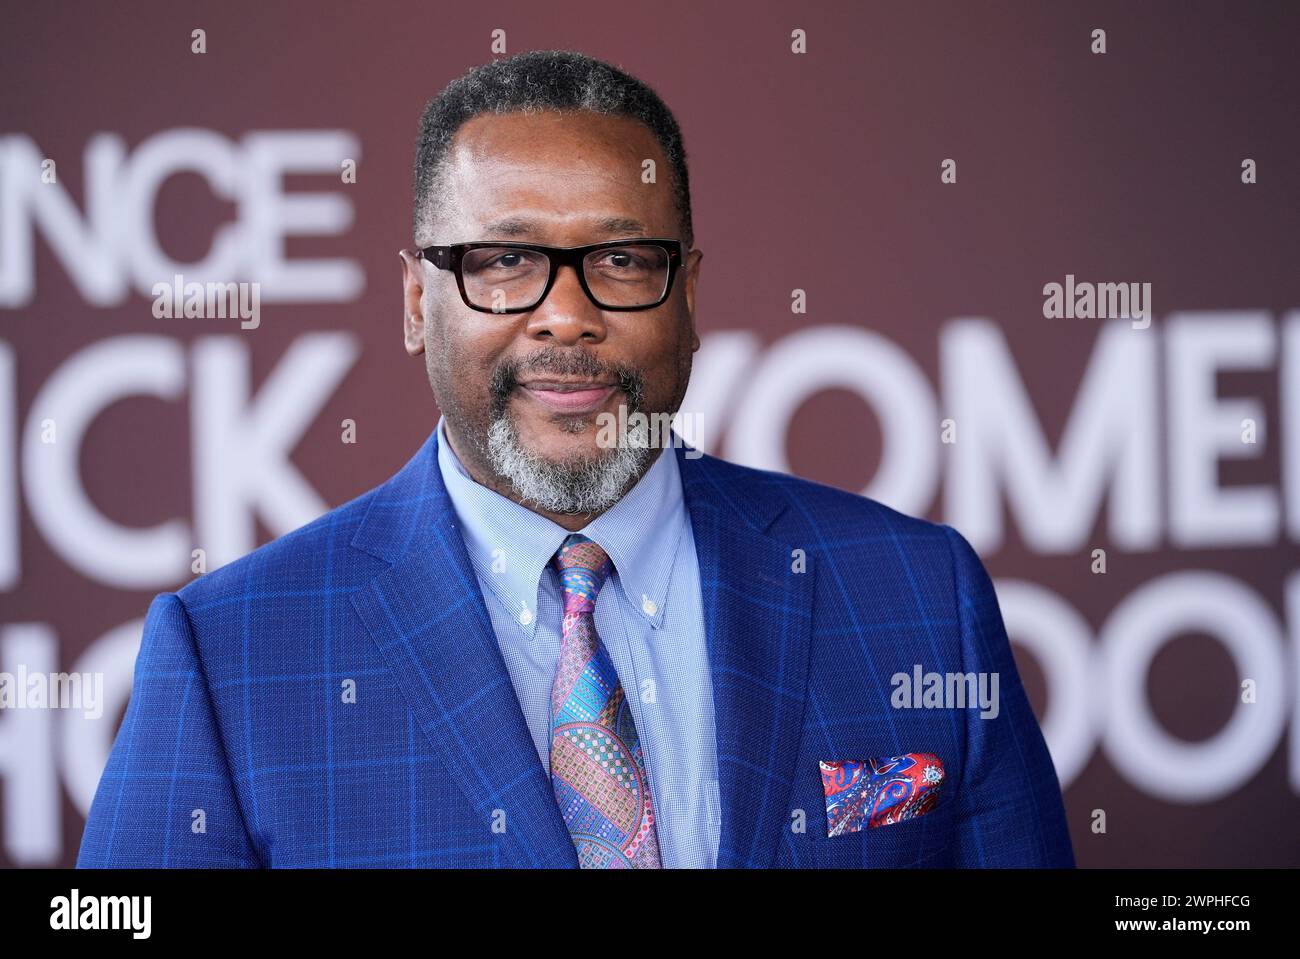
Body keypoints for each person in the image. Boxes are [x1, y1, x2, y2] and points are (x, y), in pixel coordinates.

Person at [78, 49, 1074, 869]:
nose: (567, 313)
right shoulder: (231, 654)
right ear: (416, 303)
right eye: (503, 261)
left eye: (622, 259)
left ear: (688, 297)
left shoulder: (917, 591)